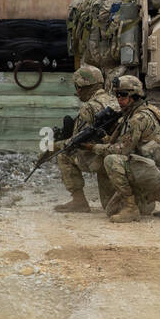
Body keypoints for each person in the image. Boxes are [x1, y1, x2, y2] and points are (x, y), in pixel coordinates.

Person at [87, 75, 160, 222]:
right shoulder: (137, 113)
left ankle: (131, 208)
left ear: (134, 96)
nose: (119, 100)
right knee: (112, 210)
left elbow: (121, 150)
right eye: (117, 95)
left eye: (122, 95)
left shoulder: (138, 118)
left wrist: (93, 147)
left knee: (111, 160)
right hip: (148, 168)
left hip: (149, 171)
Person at [52, 64, 118, 213]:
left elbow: (79, 141)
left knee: (64, 154)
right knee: (112, 206)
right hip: (120, 155)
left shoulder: (89, 108)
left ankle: (79, 201)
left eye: (78, 86)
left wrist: (56, 145)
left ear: (83, 86)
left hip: (104, 158)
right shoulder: (115, 99)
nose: (77, 91)